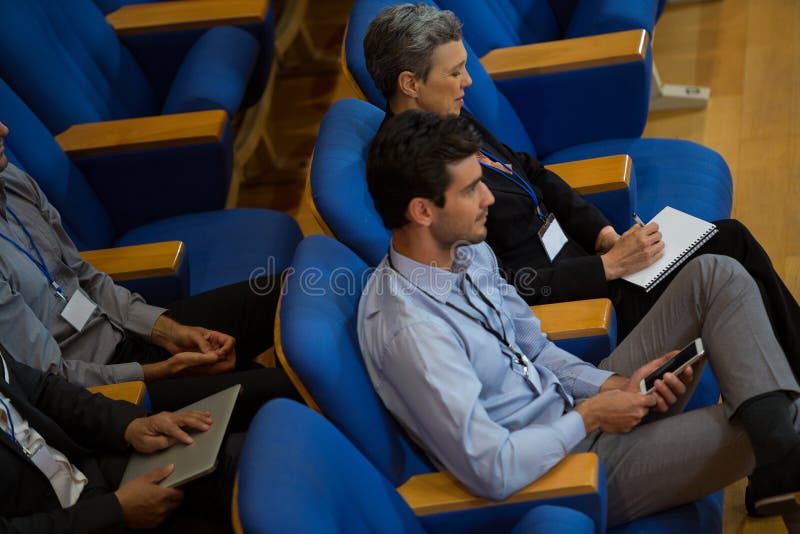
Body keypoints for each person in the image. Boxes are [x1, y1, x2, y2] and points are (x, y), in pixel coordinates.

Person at [358, 110, 800, 525]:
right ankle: (783, 450)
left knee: (715, 274)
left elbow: (535, 349)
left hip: (572, 411)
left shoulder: (468, 252)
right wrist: (590, 418)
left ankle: (781, 453)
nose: (489, 197)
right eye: (471, 189)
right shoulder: (413, 333)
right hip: (563, 472)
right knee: (772, 417)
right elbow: (493, 467)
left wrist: (614, 386)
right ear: (422, 211)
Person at [362, 3, 799, 370]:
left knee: (727, 243)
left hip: (593, 261)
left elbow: (530, 172)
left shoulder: (447, 116)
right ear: (410, 83)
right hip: (579, 308)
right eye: (455, 72)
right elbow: (492, 287)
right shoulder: (415, 174)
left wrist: (603, 234)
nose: (469, 82)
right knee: (730, 245)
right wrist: (605, 269)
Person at [0, 120, 300, 426]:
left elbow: (85, 275)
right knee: (287, 390)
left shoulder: (10, 179)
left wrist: (167, 331)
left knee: (298, 293)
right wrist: (164, 370)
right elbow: (52, 379)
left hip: (124, 332)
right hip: (109, 392)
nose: (4, 129)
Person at [0, 342, 244, 532]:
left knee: (233, 462)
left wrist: (131, 425)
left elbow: (43, 391)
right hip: (72, 519)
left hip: (86, 469)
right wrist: (115, 512)